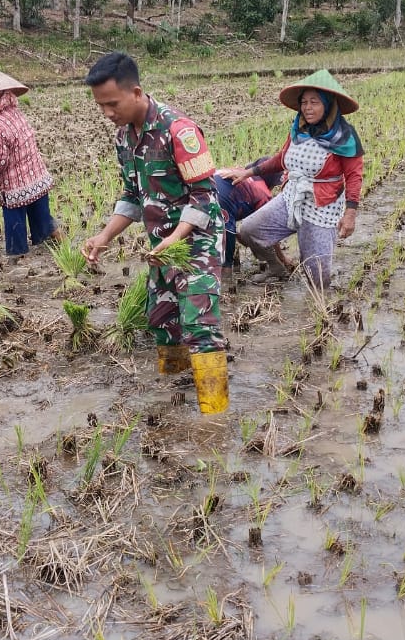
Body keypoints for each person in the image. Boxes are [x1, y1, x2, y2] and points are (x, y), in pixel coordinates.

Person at [81, 52, 229, 416]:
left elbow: (206, 195)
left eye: (112, 104)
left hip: (196, 242)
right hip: (162, 247)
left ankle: (215, 414)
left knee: (199, 325)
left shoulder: (179, 131)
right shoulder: (124, 139)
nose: (107, 113)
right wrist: (103, 237)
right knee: (162, 319)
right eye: (101, 106)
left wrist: (177, 237)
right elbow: (132, 196)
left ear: (136, 92)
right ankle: (175, 402)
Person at [225, 70, 364, 289]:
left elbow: (354, 176)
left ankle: (319, 312)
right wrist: (248, 172)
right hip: (292, 196)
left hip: (322, 205)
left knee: (317, 280)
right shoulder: (299, 129)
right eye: (304, 102)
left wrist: (350, 214)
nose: (307, 108)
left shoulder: (344, 135)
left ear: (328, 104)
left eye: (314, 102)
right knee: (250, 230)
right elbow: (282, 159)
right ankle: (276, 267)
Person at [0, 68, 62, 256]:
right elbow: (14, 152)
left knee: (17, 249)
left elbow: (0, 161)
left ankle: (19, 267)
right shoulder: (18, 114)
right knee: (46, 239)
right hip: (38, 183)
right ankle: (66, 256)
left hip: (16, 190)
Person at [213, 158, 292, 278]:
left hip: (204, 190)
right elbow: (269, 234)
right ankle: (227, 277)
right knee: (230, 238)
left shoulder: (240, 172)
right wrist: (282, 258)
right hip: (220, 202)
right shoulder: (262, 193)